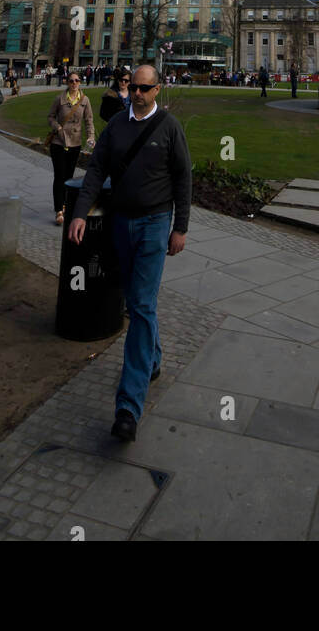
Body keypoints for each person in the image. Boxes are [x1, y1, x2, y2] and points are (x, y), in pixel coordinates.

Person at [68, 65, 192, 442]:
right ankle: (152, 358)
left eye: (144, 89)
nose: (137, 94)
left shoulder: (169, 128)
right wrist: (78, 213)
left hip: (156, 223)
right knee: (139, 304)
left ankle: (128, 407)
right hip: (121, 222)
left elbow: (184, 176)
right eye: (131, 87)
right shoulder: (117, 126)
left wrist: (180, 227)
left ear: (157, 90)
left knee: (139, 306)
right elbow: (95, 171)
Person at [47, 72, 96, 225]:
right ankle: (59, 210)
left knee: (68, 176)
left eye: (77, 80)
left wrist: (91, 136)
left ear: (80, 82)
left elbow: (89, 120)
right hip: (58, 142)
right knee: (59, 175)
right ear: (67, 83)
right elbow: (50, 117)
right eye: (71, 81)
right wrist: (58, 127)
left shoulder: (85, 100)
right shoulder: (59, 99)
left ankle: (65, 204)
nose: (74, 83)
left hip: (75, 143)